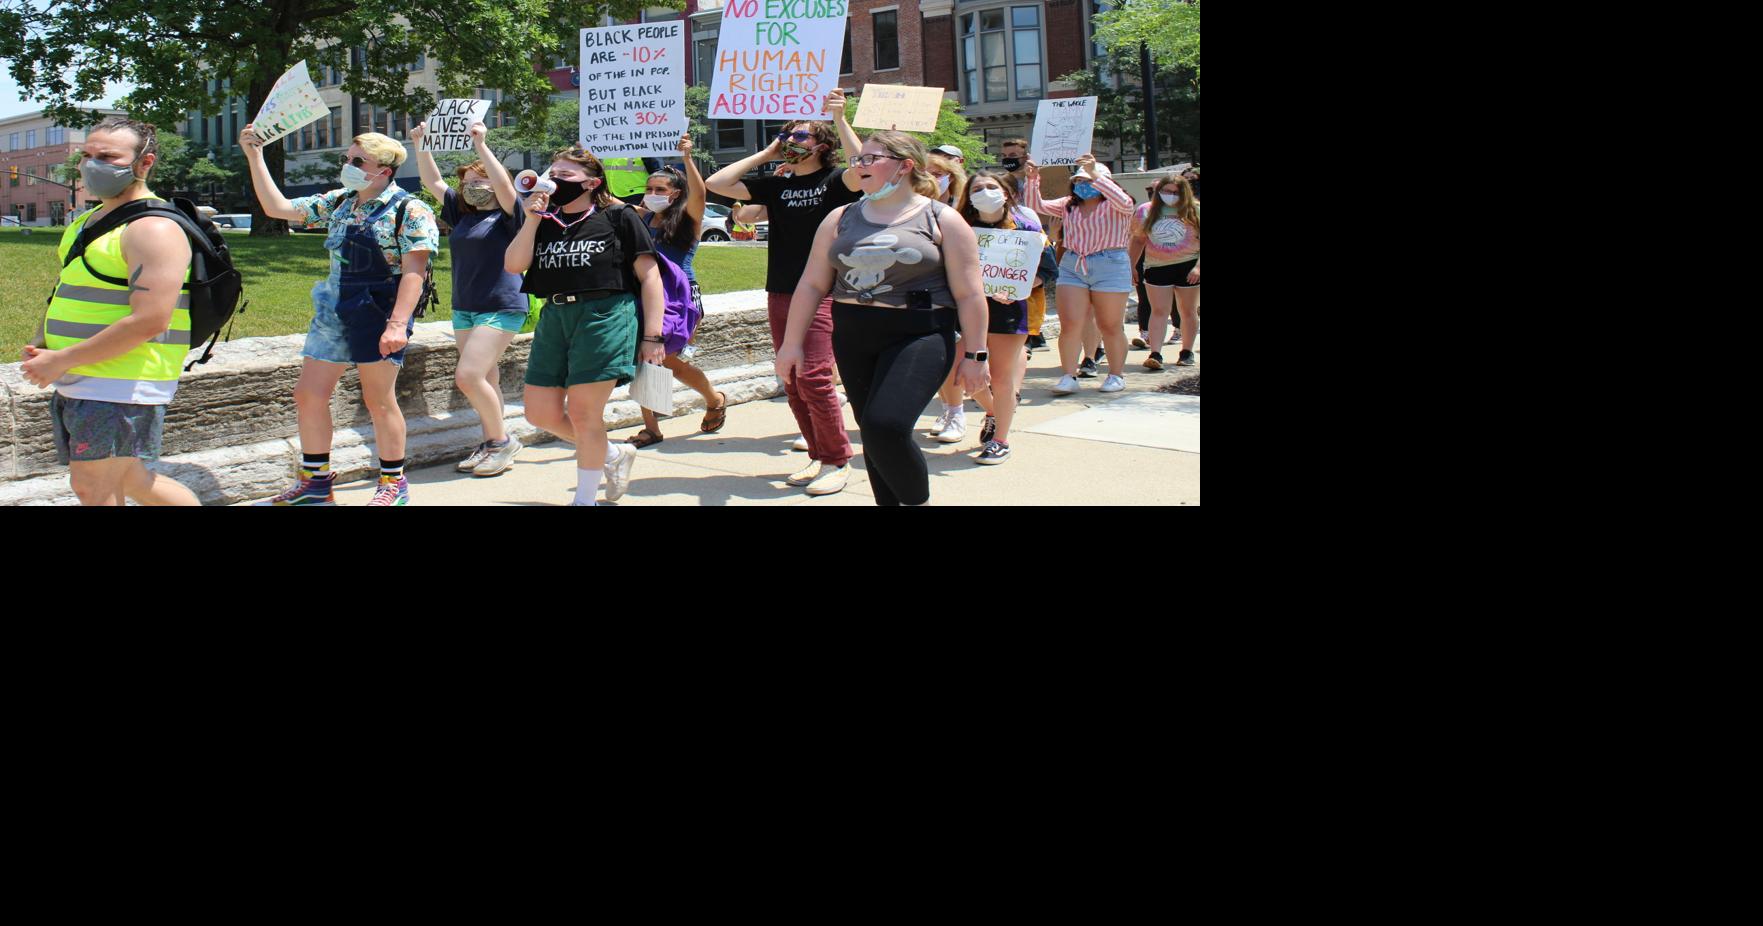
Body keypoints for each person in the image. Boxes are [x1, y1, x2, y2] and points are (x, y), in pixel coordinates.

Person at [776, 130, 990, 506]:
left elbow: (970, 294)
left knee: (885, 426)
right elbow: (811, 284)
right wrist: (791, 345)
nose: (860, 166)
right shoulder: (840, 218)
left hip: (919, 333)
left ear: (904, 166)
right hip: (854, 333)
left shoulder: (943, 219)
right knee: (872, 433)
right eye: (858, 159)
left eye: (871, 158)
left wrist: (976, 355)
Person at [241, 124, 438, 506]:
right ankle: (315, 483)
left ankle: (393, 483)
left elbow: (415, 272)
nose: (348, 165)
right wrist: (255, 155)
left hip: (379, 309)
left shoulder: (409, 208)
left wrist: (398, 324)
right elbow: (277, 208)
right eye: (347, 159)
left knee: (378, 399)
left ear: (384, 169)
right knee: (308, 394)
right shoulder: (341, 201)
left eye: (357, 160)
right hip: (333, 306)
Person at [19, 116, 201, 506]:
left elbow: (151, 319)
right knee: (133, 480)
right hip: (83, 376)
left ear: (145, 163)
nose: (91, 164)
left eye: (107, 156)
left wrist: (62, 358)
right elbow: (68, 287)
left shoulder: (154, 228)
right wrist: (43, 341)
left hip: (122, 381)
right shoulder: (87, 221)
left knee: (94, 488)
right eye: (86, 155)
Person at [705, 88, 864, 495]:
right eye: (787, 135)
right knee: (791, 379)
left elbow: (864, 168)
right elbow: (717, 182)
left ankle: (836, 459)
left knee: (813, 376)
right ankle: (817, 453)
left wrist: (840, 118)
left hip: (824, 290)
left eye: (800, 137)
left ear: (821, 146)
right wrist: (768, 153)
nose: (791, 141)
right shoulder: (775, 186)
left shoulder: (834, 181)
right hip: (781, 290)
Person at [504, 145, 667, 506]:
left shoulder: (619, 215)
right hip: (556, 316)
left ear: (591, 183)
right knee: (539, 412)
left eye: (565, 176)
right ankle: (611, 453)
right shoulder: (544, 220)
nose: (554, 181)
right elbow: (514, 265)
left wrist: (654, 335)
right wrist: (532, 218)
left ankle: (584, 499)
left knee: (582, 412)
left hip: (605, 313)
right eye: (553, 173)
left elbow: (650, 277)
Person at [409, 119, 527, 477]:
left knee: (468, 376)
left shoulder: (511, 215)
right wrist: (421, 144)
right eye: (469, 183)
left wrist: (481, 146)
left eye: (481, 181)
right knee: (485, 379)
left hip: (502, 304)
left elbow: (505, 187)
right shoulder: (460, 213)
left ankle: (501, 442)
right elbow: (432, 181)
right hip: (465, 307)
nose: (474, 186)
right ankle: (493, 440)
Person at [627, 135, 730, 447]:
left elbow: (699, 192)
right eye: (649, 189)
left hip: (681, 298)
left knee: (667, 359)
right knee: (646, 358)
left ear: (675, 194)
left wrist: (687, 158)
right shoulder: (640, 216)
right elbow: (603, 200)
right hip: (647, 296)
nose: (652, 194)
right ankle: (651, 427)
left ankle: (714, 398)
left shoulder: (688, 219)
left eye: (660, 190)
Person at [1024, 154, 1136, 395]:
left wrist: (1095, 173)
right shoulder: (1068, 204)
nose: (1082, 185)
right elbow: (1037, 205)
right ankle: (1068, 375)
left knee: (1110, 324)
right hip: (1074, 264)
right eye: (1079, 181)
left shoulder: (1116, 205)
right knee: (1071, 323)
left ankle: (1116, 375)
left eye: (1089, 181)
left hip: (1110, 264)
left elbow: (1126, 203)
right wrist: (1033, 179)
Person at [953, 167, 1040, 465]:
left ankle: (1000, 440)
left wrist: (1019, 287)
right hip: (964, 313)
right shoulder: (959, 228)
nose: (983, 193)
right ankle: (994, 410)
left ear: (1005, 192)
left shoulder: (1026, 230)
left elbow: (1046, 270)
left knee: (1001, 378)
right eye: (976, 189)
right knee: (958, 373)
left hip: (1007, 312)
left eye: (990, 187)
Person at [1129, 172, 1200, 368]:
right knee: (1159, 310)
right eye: (1166, 191)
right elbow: (1137, 240)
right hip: (1157, 266)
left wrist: (1198, 268)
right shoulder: (1145, 211)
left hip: (1188, 265)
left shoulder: (1195, 210)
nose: (1170, 195)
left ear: (1184, 193)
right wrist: (1131, 265)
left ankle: (1186, 352)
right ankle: (1156, 353)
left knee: (1187, 311)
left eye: (1175, 192)